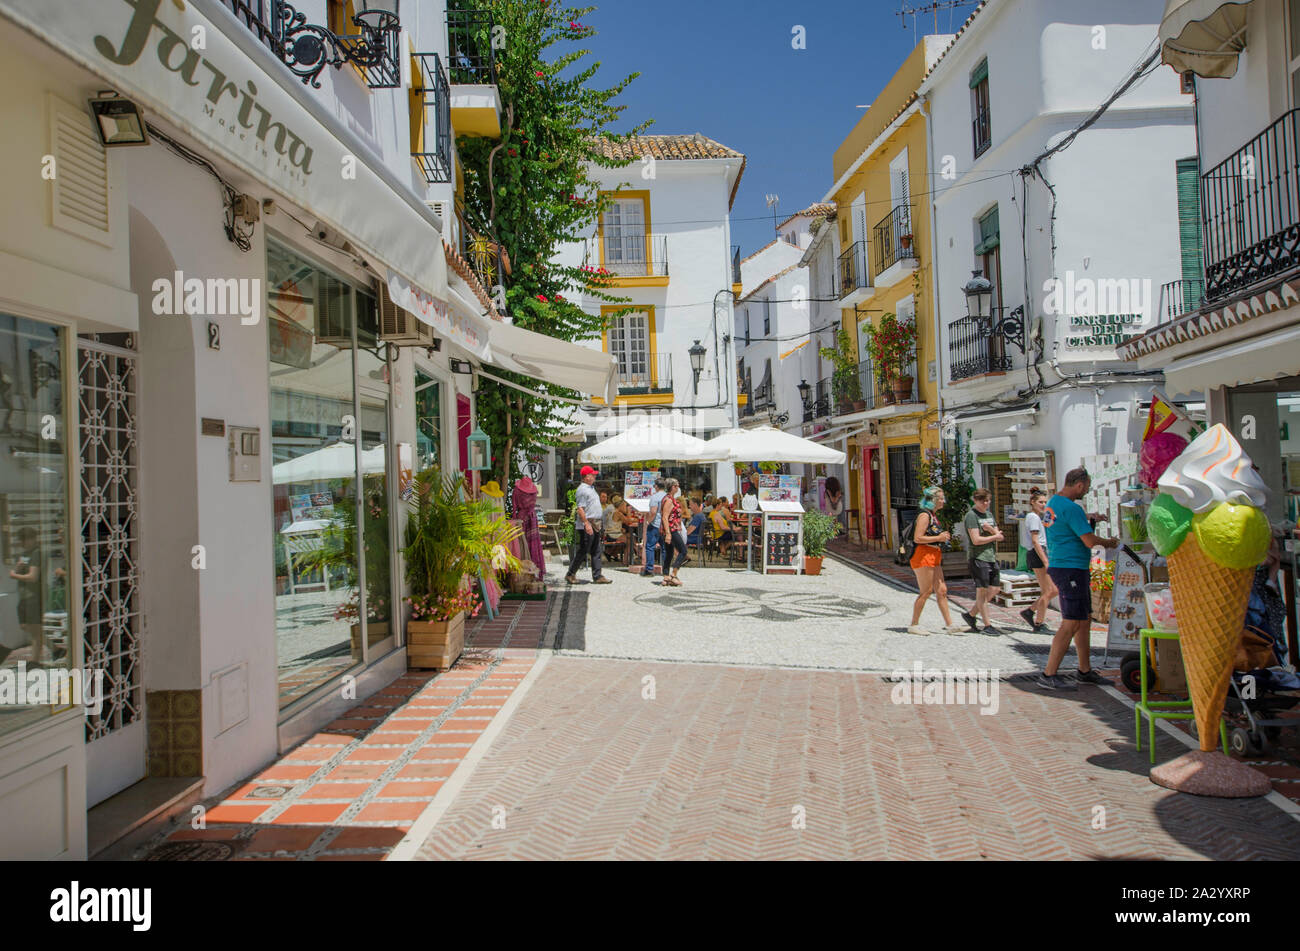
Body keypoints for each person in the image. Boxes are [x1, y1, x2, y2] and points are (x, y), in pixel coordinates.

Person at [1036, 468, 1118, 690]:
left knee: (1083, 619)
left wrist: (1088, 517)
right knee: (1071, 621)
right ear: (1079, 485)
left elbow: (1062, 526)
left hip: (1067, 565)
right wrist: (1111, 543)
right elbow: (1090, 541)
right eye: (1087, 487)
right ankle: (1048, 673)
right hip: (1070, 567)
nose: (1087, 491)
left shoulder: (1054, 503)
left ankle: (1084, 670)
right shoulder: (1072, 508)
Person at [907, 487, 966, 635]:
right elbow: (918, 538)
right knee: (926, 591)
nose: (943, 501)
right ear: (932, 500)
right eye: (940, 498)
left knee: (942, 590)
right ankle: (914, 624)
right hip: (923, 556)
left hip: (934, 555)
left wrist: (942, 537)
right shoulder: (924, 516)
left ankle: (950, 624)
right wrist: (939, 538)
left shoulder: (933, 515)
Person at [961, 488, 1005, 635]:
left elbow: (1000, 535)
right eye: (982, 501)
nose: (986, 503)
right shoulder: (971, 516)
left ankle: (971, 614)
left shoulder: (989, 515)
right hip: (978, 557)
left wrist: (991, 531)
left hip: (991, 556)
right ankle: (987, 625)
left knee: (995, 589)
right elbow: (976, 540)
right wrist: (994, 535)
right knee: (982, 591)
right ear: (975, 500)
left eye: (987, 500)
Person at [565, 465, 611, 585]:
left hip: (595, 522)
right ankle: (570, 573)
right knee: (584, 549)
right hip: (588, 523)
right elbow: (580, 508)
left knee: (596, 549)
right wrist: (586, 523)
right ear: (586, 477)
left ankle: (597, 575)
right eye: (592, 474)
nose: (595, 476)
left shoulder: (590, 488)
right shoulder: (582, 490)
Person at [1019, 488, 1056, 633]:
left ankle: (1030, 611)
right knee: (1049, 590)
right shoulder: (1033, 517)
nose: (1043, 504)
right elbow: (1035, 541)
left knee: (1051, 590)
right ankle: (1039, 623)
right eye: (1040, 502)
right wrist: (1045, 561)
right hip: (1038, 553)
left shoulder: (1037, 516)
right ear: (1032, 502)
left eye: (1045, 502)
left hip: (1039, 552)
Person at [10, 527, 42, 665]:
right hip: (24, 596)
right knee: (25, 625)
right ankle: (51, 646)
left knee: (34, 629)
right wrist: (18, 567)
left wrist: (14, 575)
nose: (22, 543)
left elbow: (33, 577)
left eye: (24, 539)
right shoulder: (25, 554)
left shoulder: (36, 553)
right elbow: (17, 571)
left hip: (33, 596)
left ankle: (34, 660)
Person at [659, 478, 689, 585]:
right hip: (671, 530)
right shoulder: (669, 500)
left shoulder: (669, 498)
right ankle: (673, 574)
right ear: (672, 487)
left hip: (670, 529)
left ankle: (666, 576)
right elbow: (665, 517)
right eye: (676, 486)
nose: (678, 487)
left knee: (670, 553)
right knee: (683, 551)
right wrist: (668, 533)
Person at [643, 477, 667, 576]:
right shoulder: (668, 496)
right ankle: (665, 569)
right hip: (665, 525)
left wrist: (648, 521)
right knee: (665, 548)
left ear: (656, 486)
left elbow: (653, 512)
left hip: (655, 524)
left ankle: (649, 569)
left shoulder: (655, 497)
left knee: (650, 547)